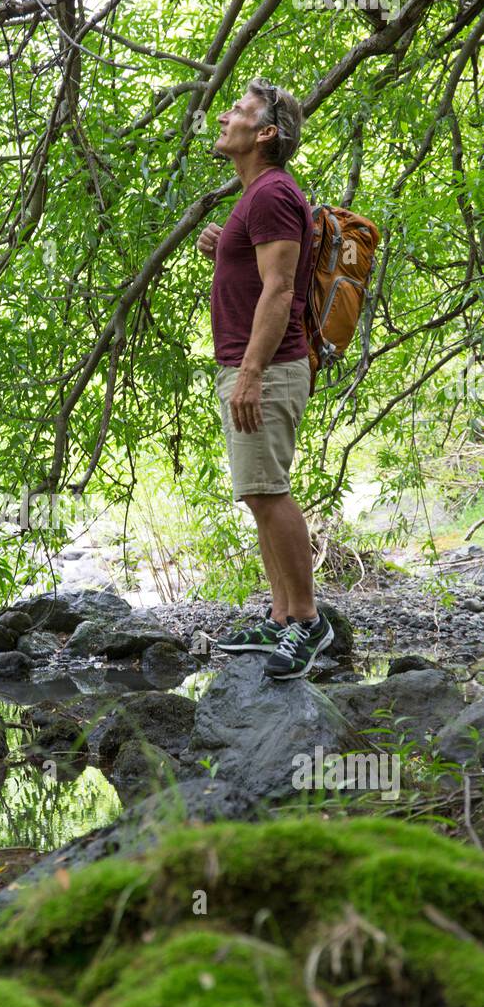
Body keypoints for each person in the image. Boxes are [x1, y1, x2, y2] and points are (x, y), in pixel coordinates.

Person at [197, 78, 333, 679]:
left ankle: (306, 622)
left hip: (268, 368)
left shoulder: (273, 192)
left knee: (269, 490)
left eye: (240, 111)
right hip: (251, 365)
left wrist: (252, 372)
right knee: (257, 491)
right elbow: (263, 272)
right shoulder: (257, 196)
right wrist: (221, 247)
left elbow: (281, 289)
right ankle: (279, 618)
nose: (225, 115)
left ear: (266, 133)